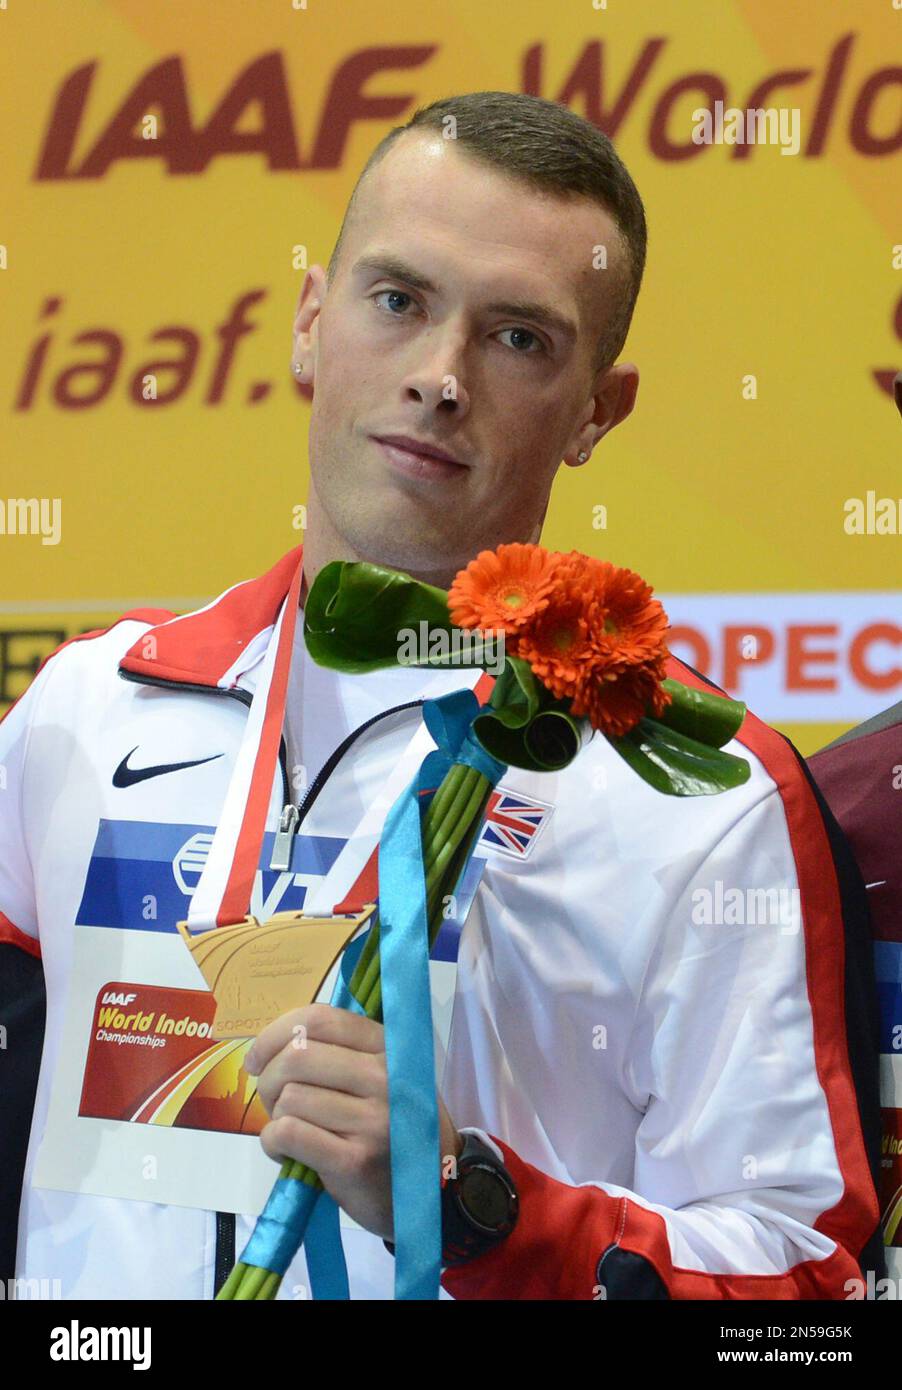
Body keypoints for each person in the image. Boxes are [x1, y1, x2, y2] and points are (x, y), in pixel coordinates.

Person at [0, 91, 885, 1300]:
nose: (439, 377)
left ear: (595, 414)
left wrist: (473, 1200)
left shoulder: (706, 796)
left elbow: (806, 1290)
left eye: (518, 337)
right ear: (311, 324)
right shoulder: (83, 712)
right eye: (397, 300)